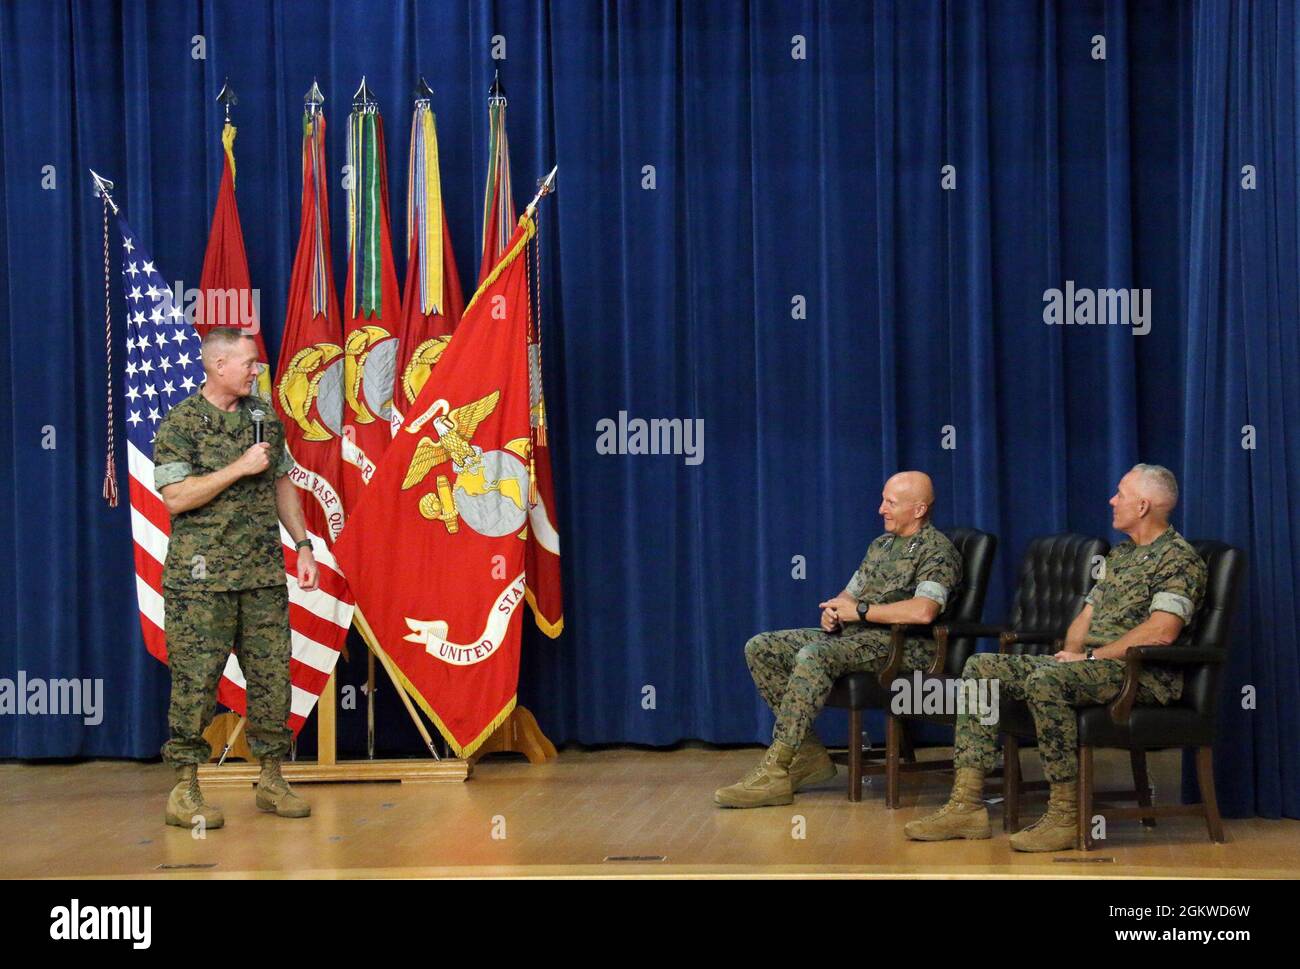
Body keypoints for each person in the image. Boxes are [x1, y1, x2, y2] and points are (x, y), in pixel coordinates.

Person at [904, 464, 1207, 851]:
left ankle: (1066, 814)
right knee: (981, 667)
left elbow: (1162, 631)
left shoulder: (1178, 559)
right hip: (1095, 664)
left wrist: (1092, 658)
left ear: (1144, 505)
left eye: (1120, 493)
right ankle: (966, 805)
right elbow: (1087, 614)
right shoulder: (1122, 555)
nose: (1112, 500)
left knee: (1047, 681)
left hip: (1140, 674)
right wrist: (1073, 653)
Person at [152, 327, 318, 828]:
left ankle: (271, 779)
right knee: (196, 683)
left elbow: (283, 483)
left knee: (272, 681)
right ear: (218, 365)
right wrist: (238, 467)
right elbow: (176, 496)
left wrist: (304, 545)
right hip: (200, 583)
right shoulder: (181, 423)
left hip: (262, 575)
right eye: (248, 363)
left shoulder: (265, 418)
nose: (255, 370)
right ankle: (186, 790)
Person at [715, 471, 961, 808]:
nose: (880, 509)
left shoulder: (937, 550)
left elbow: (923, 612)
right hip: (857, 638)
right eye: (883, 500)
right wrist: (833, 612)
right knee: (762, 647)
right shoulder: (881, 546)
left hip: (905, 647)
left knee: (814, 656)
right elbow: (847, 596)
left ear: (918, 510)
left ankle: (776, 769)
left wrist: (859, 612)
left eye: (890, 502)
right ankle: (809, 756)